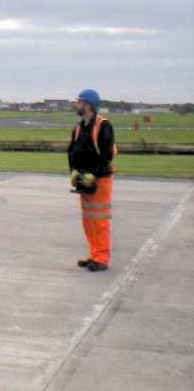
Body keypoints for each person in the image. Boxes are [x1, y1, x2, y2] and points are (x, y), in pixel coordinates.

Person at [67, 89, 116, 271]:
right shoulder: (79, 128)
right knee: (88, 221)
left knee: (99, 221)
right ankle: (94, 254)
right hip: (83, 181)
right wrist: (73, 172)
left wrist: (94, 175)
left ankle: (102, 259)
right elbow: (72, 153)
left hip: (100, 181)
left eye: (79, 102)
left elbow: (106, 156)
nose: (76, 105)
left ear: (88, 105)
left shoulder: (103, 126)